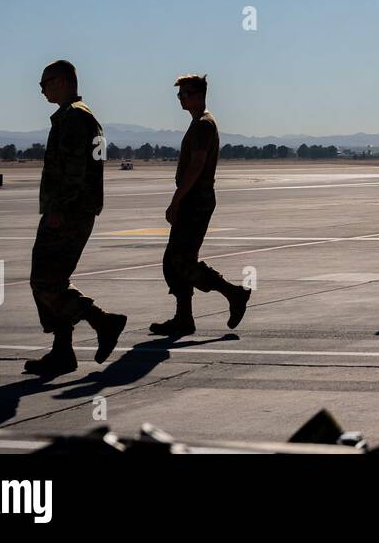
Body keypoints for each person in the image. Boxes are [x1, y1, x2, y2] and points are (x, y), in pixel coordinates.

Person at [25, 60, 127, 377]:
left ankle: (101, 321)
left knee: (44, 280)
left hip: (67, 213)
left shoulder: (73, 118)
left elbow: (74, 173)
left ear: (66, 81)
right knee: (53, 279)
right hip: (77, 210)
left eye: (47, 82)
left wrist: (58, 209)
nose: (42, 89)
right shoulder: (82, 117)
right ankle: (63, 350)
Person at [149, 74, 251, 337]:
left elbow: (196, 166)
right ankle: (184, 318)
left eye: (185, 93)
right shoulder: (198, 123)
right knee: (175, 261)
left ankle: (233, 293)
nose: (181, 99)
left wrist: (176, 200)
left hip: (196, 199)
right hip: (194, 198)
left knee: (179, 260)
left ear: (199, 95)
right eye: (179, 95)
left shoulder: (204, 124)